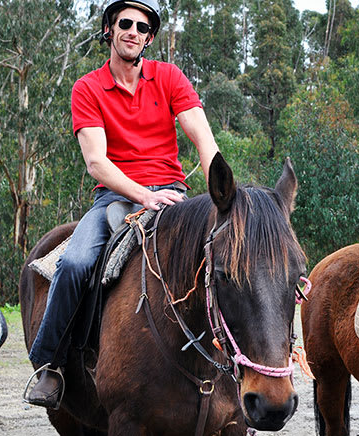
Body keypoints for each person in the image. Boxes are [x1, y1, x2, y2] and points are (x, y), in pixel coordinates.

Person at [25, 0, 220, 408]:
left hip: (171, 192)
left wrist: (224, 192)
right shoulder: (88, 87)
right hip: (115, 195)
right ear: (110, 31)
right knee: (76, 263)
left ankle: (237, 364)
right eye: (124, 23)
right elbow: (97, 162)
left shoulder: (168, 76)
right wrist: (144, 195)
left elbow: (202, 138)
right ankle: (51, 365)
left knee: (228, 257)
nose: (132, 31)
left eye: (141, 27)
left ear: (149, 38)